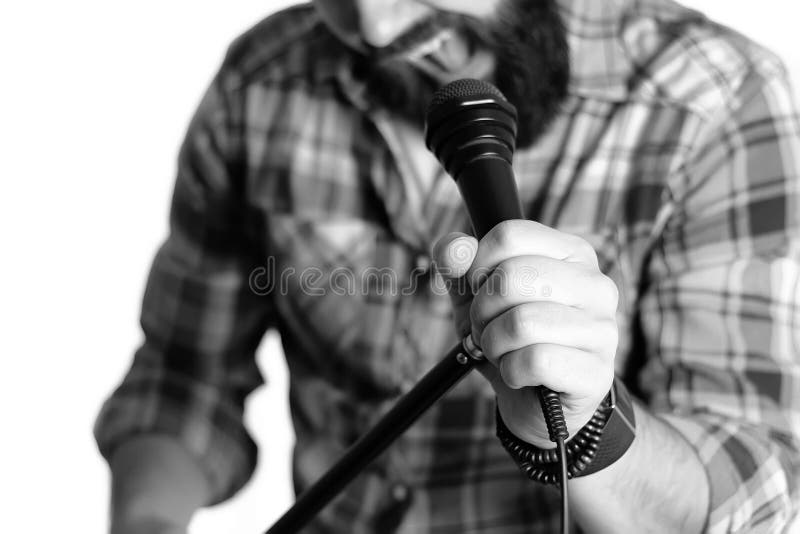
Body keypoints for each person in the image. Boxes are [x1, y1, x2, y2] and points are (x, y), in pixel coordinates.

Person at [95, 0, 800, 532]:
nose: (373, 26)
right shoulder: (260, 82)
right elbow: (183, 378)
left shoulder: (714, 101)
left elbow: (757, 486)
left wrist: (588, 426)